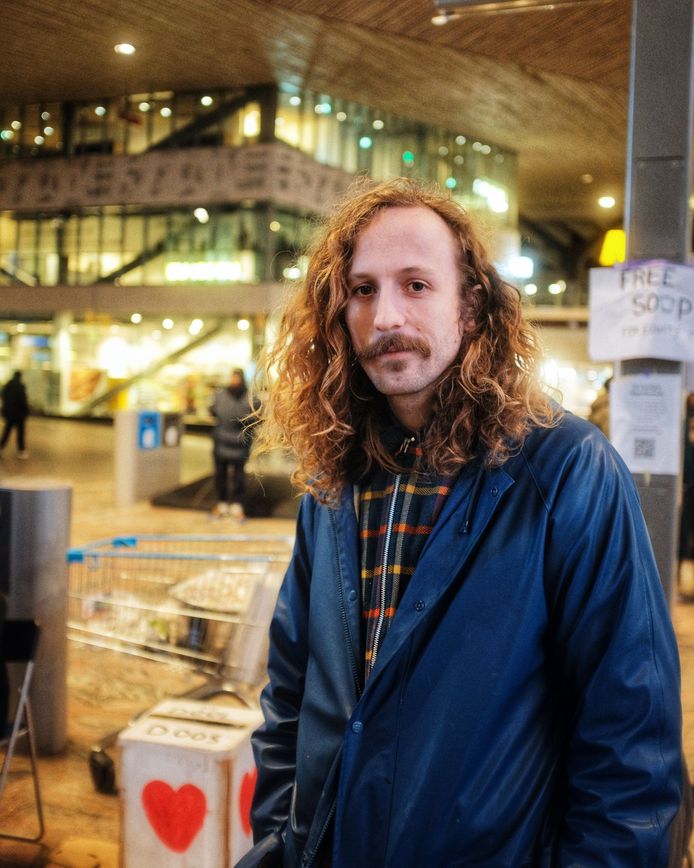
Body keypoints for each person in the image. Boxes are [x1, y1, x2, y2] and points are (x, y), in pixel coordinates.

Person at [238, 178, 685, 867]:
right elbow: (290, 699)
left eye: (416, 285)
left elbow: (630, 752)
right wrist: (281, 839)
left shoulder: (566, 472)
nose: (385, 315)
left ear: (472, 307)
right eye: (363, 289)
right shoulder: (333, 482)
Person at [209, 368, 253, 519]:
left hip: (240, 444)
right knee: (220, 475)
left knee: (239, 476)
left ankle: (236, 505)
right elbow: (213, 411)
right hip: (222, 442)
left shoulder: (250, 397)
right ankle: (221, 504)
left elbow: (256, 416)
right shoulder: (220, 395)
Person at [0, 371, 29, 459]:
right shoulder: (20, 387)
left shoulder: (8, 386)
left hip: (9, 413)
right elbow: (23, 401)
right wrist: (26, 411)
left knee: (7, 432)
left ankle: (1, 447)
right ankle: (21, 451)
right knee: (20, 433)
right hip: (19, 414)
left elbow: (3, 396)